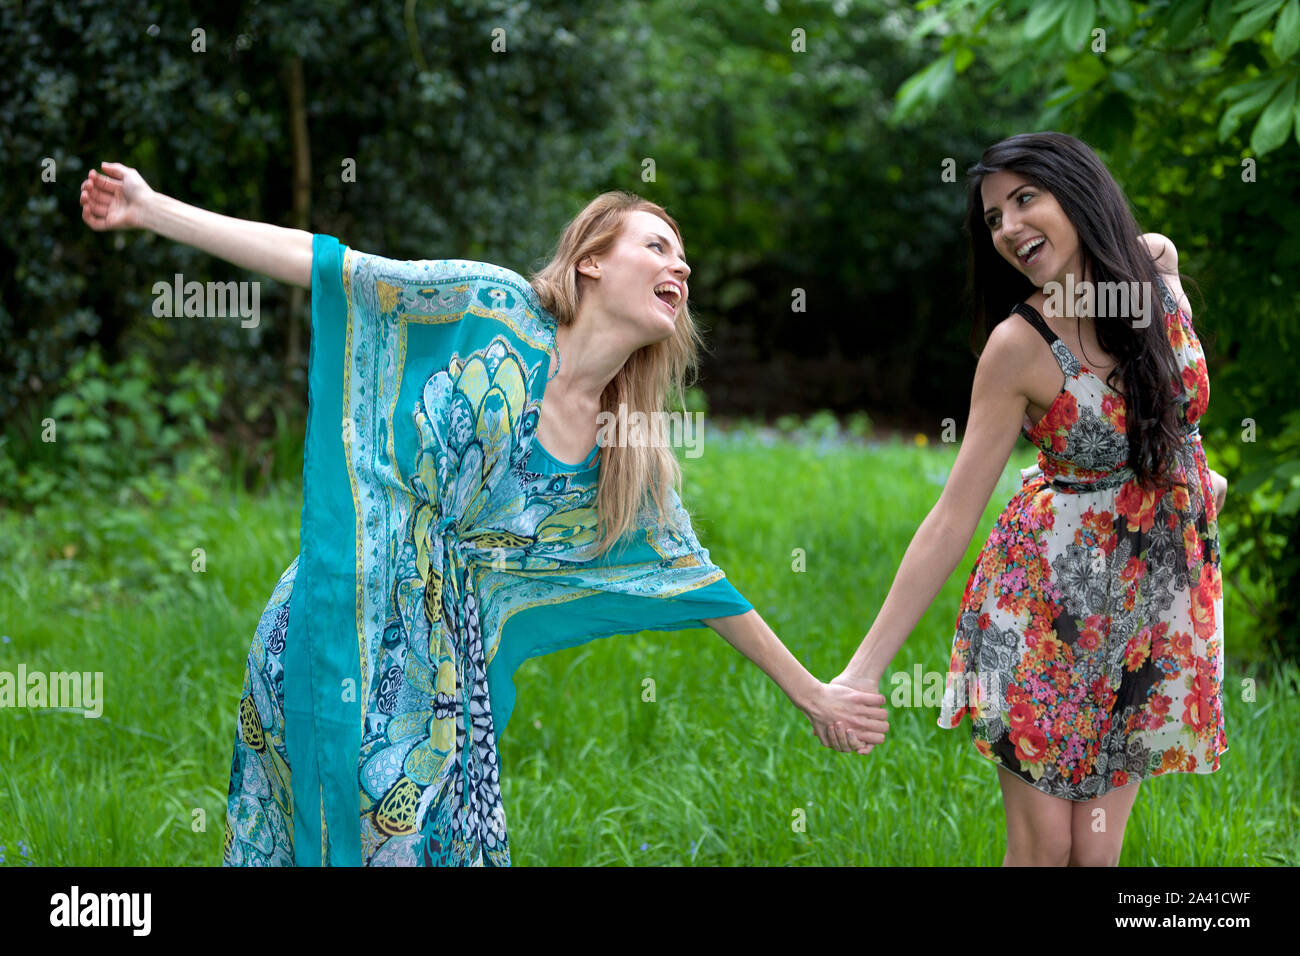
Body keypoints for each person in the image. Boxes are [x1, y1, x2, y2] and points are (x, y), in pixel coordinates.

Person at [80, 162, 889, 866]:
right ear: (592, 262)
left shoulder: (626, 446)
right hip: (341, 616)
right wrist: (155, 211)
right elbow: (333, 266)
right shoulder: (487, 307)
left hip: (444, 679)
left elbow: (695, 579)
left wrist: (813, 693)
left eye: (684, 257)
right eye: (657, 245)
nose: (680, 265)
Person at [829, 133, 1229, 866]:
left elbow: (1175, 409)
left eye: (1023, 200)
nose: (1007, 227)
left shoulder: (1156, 281)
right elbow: (953, 514)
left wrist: (1201, 484)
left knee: (1098, 851)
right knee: (1046, 849)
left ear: (1077, 193)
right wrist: (864, 669)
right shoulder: (1019, 345)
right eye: (991, 218)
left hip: (1147, 607)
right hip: (1043, 610)